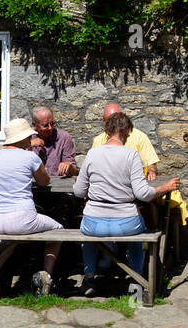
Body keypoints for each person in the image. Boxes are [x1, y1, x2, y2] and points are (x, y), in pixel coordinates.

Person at [73, 109, 179, 297]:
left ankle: (89, 278)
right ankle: (136, 281)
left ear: (106, 131)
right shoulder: (131, 156)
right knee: (140, 235)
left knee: (87, 238)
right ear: (128, 132)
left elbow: (79, 191)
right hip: (125, 223)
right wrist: (164, 187)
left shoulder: (92, 154)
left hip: (93, 223)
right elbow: (142, 193)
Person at [0, 118, 63, 297]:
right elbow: (45, 181)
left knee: (11, 238)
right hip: (21, 218)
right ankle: (46, 276)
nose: (30, 140)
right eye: (28, 137)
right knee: (58, 230)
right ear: (21, 139)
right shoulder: (30, 157)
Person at [90, 101, 188, 226]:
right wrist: (165, 187)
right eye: (108, 121)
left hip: (116, 200)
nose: (113, 124)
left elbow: (151, 163)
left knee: (148, 206)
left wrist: (152, 170)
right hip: (113, 197)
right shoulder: (98, 141)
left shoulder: (139, 137)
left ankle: (147, 240)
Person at [29, 106, 78, 178]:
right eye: (45, 125)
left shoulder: (63, 137)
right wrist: (29, 145)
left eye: (52, 123)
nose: (50, 128)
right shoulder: (27, 138)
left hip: (58, 184)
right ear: (34, 125)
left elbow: (75, 171)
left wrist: (69, 166)